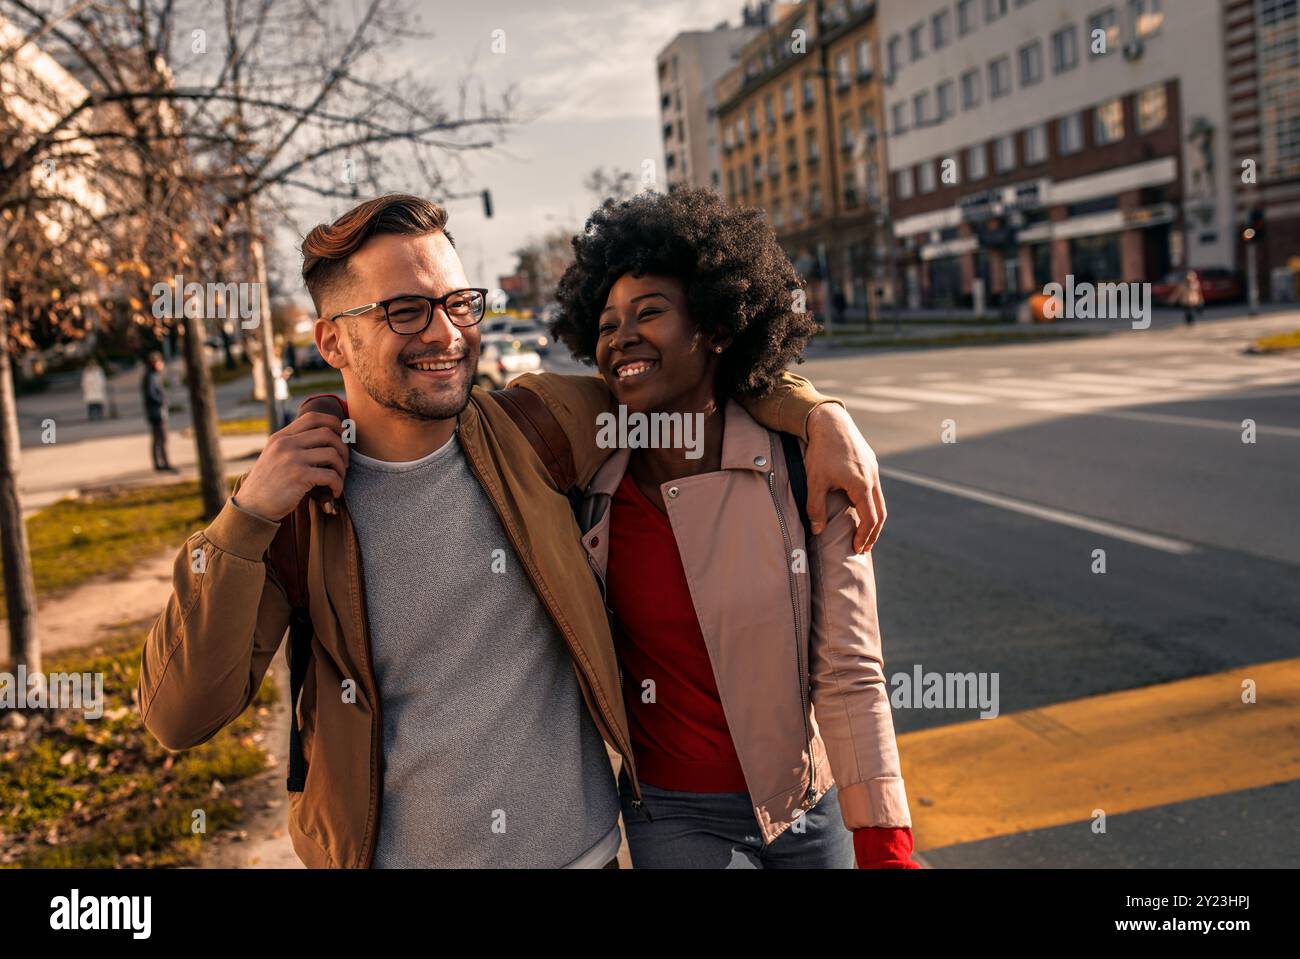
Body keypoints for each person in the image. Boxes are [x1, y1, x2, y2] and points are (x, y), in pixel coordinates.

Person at [138, 193, 889, 869]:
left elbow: (686, 377)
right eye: (405, 311)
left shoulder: (537, 426)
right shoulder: (295, 510)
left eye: (457, 303)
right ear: (332, 341)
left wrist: (818, 413)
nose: (445, 333)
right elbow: (179, 715)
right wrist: (246, 517)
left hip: (584, 854)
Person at [552, 188, 916, 869]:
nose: (621, 335)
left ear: (717, 329)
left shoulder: (806, 465)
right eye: (606, 324)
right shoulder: (593, 488)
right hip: (672, 810)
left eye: (649, 312)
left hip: (807, 801)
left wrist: (884, 842)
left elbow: (850, 670)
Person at [141, 351, 175, 472]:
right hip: (156, 412)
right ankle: (164, 462)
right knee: (162, 437)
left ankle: (159, 462)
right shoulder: (151, 376)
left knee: (158, 438)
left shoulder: (151, 375)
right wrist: (162, 400)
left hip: (154, 411)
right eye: (160, 362)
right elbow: (151, 394)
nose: (162, 365)